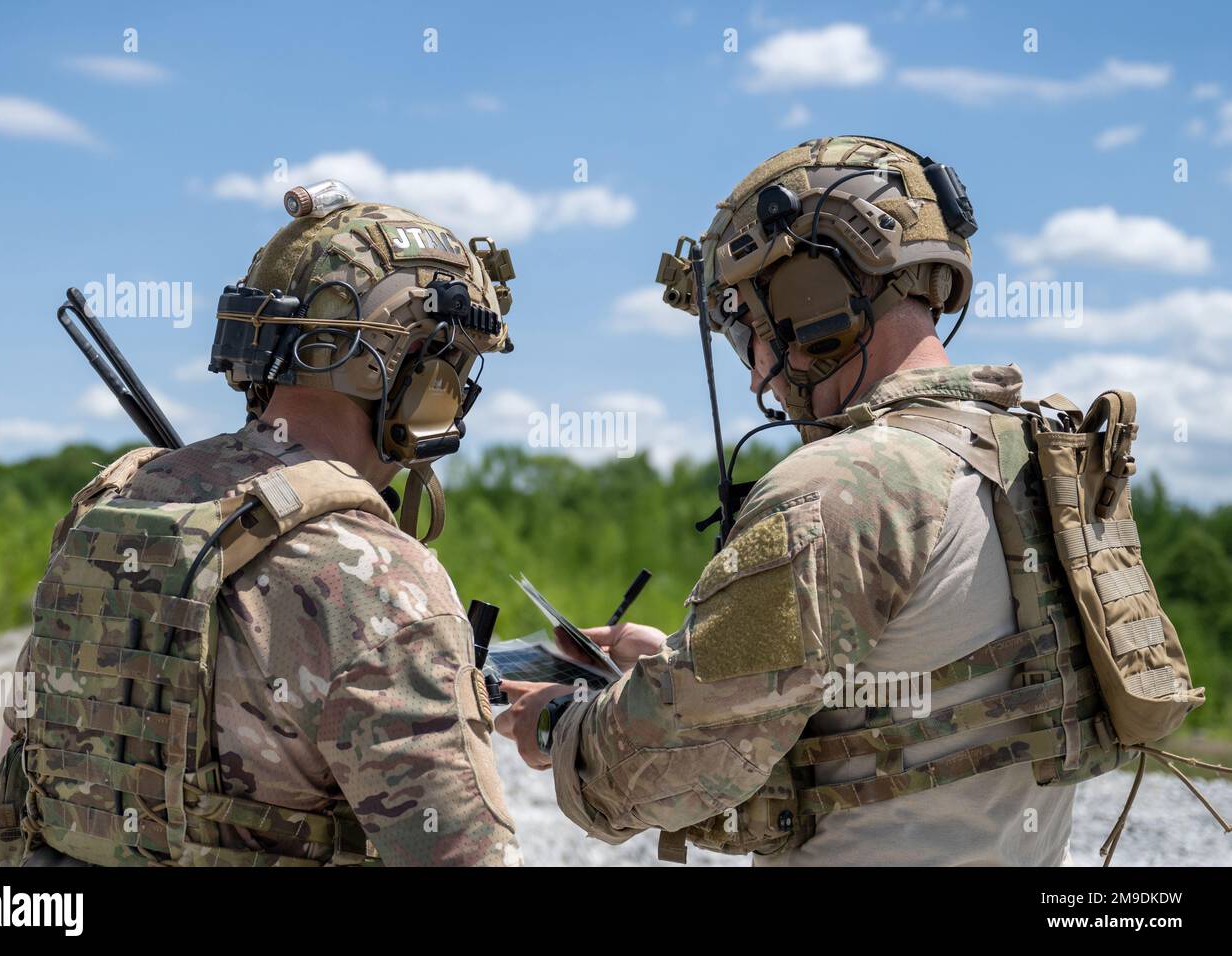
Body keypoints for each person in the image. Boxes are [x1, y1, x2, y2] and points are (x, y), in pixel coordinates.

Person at [494, 135, 1184, 866]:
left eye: (747, 326)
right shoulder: (1031, 455)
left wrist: (558, 727)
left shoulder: (843, 486)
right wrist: (678, 663)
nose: (758, 373)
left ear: (808, 301)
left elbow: (659, 769)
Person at [0, 182, 522, 866]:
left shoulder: (114, 505)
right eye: (455, 367)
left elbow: (13, 790)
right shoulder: (380, 578)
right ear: (418, 370)